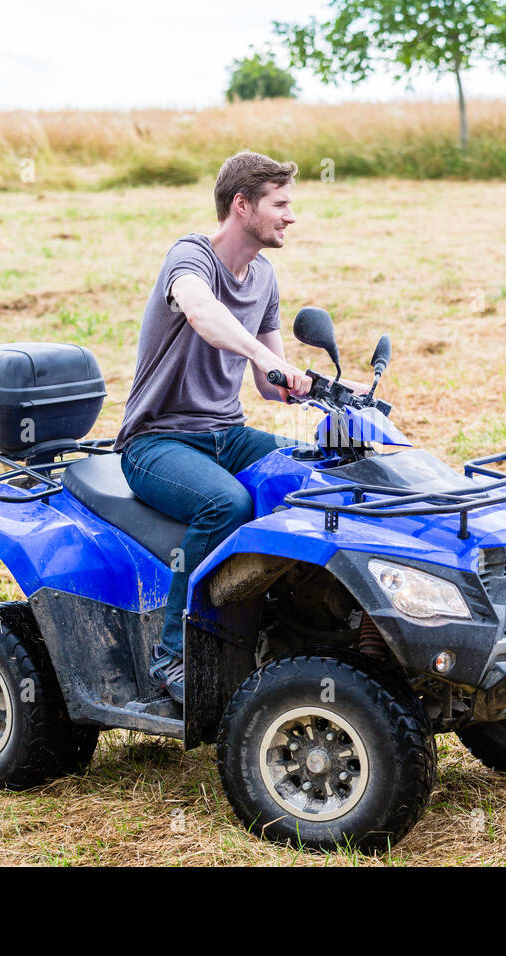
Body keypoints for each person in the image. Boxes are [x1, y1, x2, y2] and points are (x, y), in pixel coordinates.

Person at [112, 151, 314, 705]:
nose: (291, 216)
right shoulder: (190, 257)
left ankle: (286, 632)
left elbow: (270, 384)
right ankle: (173, 657)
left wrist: (309, 383)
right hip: (156, 440)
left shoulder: (265, 276)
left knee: (314, 479)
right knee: (223, 504)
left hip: (227, 433)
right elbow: (201, 312)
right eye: (280, 203)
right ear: (241, 205)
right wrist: (258, 352)